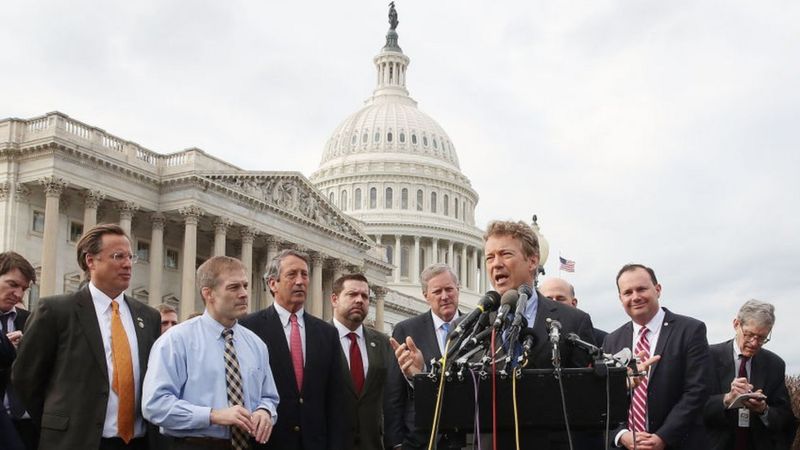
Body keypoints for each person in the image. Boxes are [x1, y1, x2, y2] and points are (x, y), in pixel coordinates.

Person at [12, 224, 161, 450]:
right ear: (91, 261)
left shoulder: (148, 317)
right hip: (75, 441)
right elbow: (26, 377)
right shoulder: (56, 311)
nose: (128, 264)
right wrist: (60, 421)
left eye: (131, 257)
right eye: (118, 256)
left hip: (138, 442)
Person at [143, 256, 279, 449]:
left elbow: (269, 397)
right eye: (234, 287)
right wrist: (212, 415)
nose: (244, 294)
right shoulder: (176, 340)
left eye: (245, 285)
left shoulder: (256, 344)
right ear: (208, 293)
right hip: (195, 444)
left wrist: (265, 412)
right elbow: (155, 405)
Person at [240, 249, 343, 450]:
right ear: (273, 283)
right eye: (292, 274)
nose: (300, 281)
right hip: (267, 442)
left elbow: (336, 400)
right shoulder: (248, 328)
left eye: (304, 275)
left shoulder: (327, 333)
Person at [602, 264, 710, 449]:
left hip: (677, 443)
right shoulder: (612, 341)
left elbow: (697, 391)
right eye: (628, 292)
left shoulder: (690, 331)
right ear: (621, 298)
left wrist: (663, 437)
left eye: (641, 289)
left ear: (657, 289)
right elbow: (605, 397)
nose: (635, 297)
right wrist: (621, 435)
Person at [385, 263, 464, 450]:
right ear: (425, 296)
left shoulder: (477, 328)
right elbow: (394, 393)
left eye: (449, 289)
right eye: (437, 291)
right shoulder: (406, 330)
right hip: (419, 440)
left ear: (458, 290)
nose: (445, 296)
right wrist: (396, 443)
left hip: (466, 439)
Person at [704, 299, 796, 449]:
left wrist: (763, 410)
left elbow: (785, 418)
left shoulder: (775, 364)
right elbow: (692, 407)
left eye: (761, 338)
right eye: (749, 334)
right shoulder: (707, 357)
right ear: (736, 324)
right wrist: (727, 399)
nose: (754, 343)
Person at [330, 273, 392, 450]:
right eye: (352, 294)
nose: (359, 300)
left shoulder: (383, 343)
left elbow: (389, 396)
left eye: (365, 296)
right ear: (334, 299)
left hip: (373, 444)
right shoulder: (318, 338)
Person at [0, 251, 37, 449]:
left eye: (24, 288)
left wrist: (27, 349)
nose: (19, 294)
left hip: (27, 426)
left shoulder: (32, 320)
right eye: (12, 284)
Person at [539, 277, 608, 345]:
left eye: (560, 299)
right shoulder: (531, 337)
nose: (554, 304)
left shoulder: (604, 341)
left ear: (573, 303)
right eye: (548, 300)